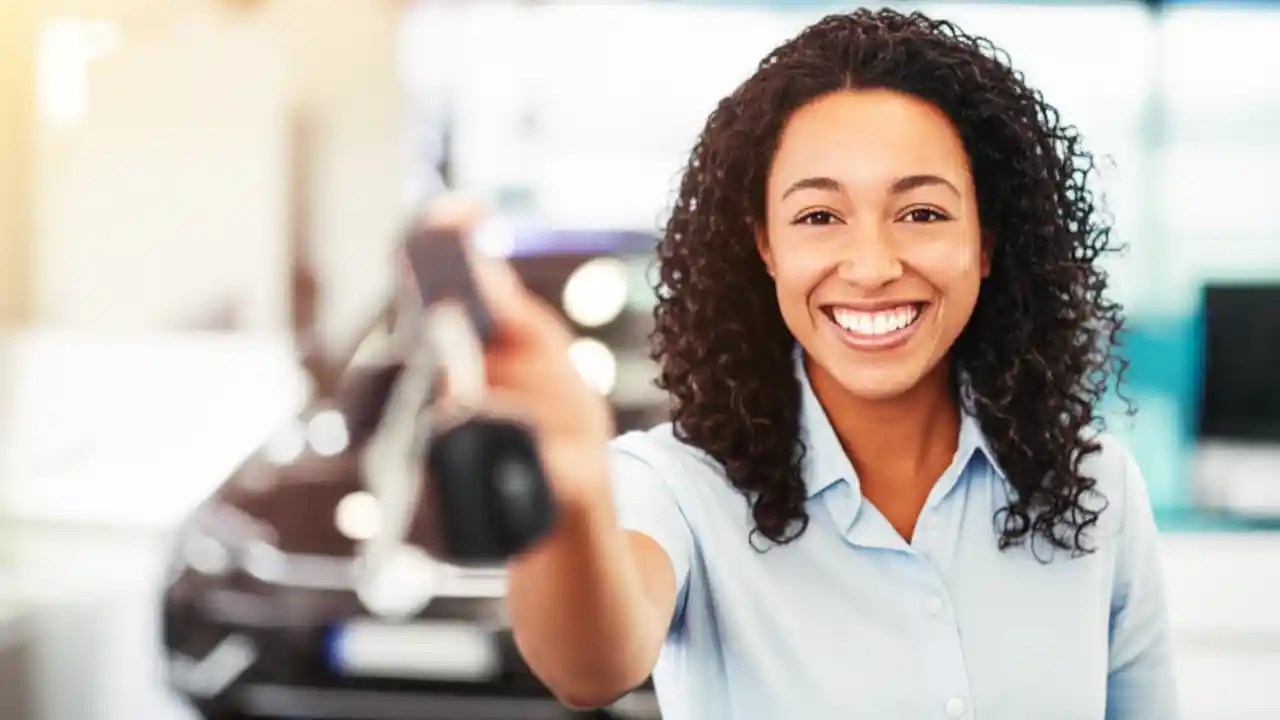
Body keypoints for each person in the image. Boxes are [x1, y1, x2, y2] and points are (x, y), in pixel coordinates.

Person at [476, 8, 1178, 720]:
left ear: (988, 243)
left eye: (922, 214)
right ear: (766, 247)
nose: (872, 267)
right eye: (819, 217)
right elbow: (591, 666)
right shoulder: (679, 490)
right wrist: (564, 498)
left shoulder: (1098, 488)